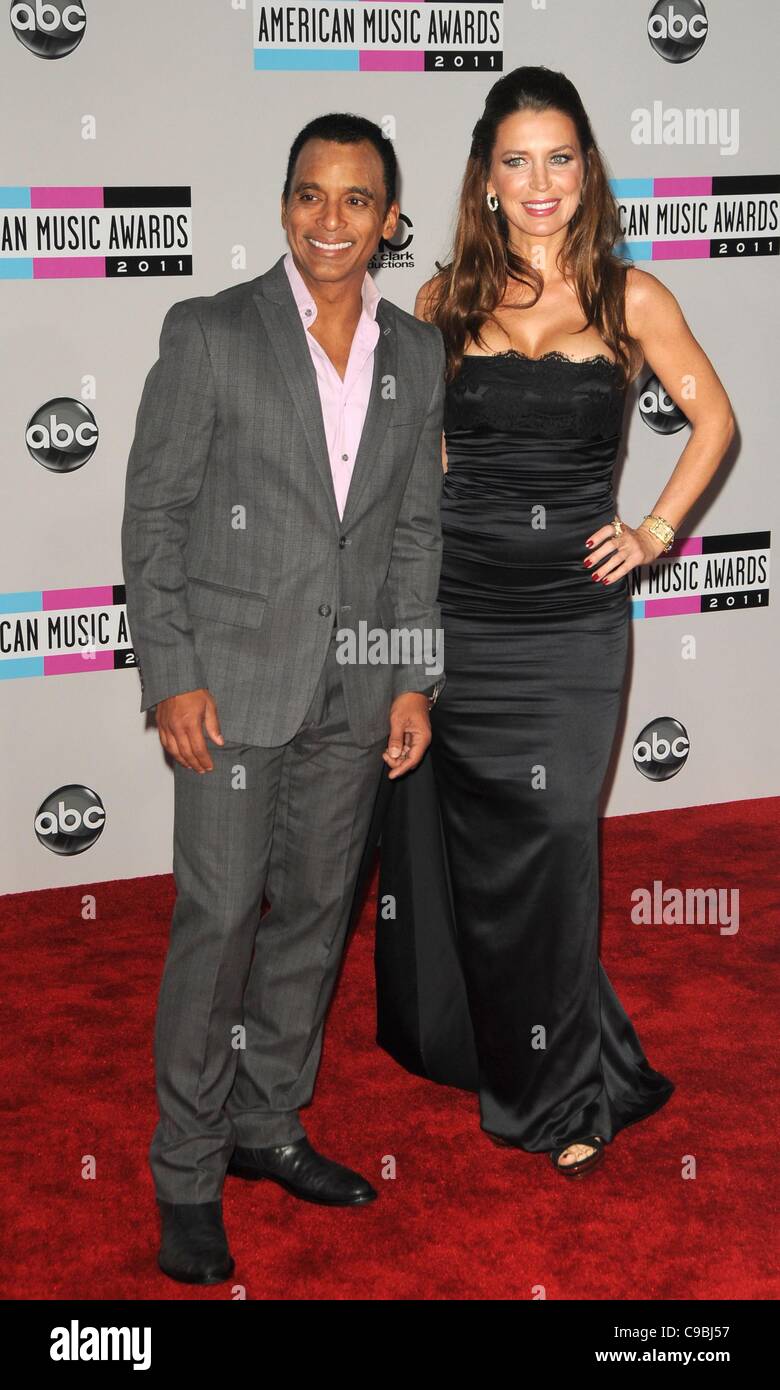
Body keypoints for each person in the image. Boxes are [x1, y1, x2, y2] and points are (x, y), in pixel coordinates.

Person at [368, 67, 736, 1178]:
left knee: (561, 845)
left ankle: (562, 1086)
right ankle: (517, 1048)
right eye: (516, 160)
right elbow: (421, 463)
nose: (540, 181)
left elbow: (715, 420)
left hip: (574, 627)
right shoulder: (442, 302)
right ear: (486, 177)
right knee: (481, 850)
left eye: (560, 157)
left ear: (587, 169)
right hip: (464, 614)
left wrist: (658, 529)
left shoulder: (633, 297)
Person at [121, 112, 445, 1284]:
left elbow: (411, 532)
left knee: (312, 922)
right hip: (231, 694)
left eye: (358, 200)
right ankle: (187, 1168)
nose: (330, 220)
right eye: (310, 194)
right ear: (283, 205)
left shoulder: (418, 354)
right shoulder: (209, 333)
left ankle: (267, 1124)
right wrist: (172, 674)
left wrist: (410, 676)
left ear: (390, 219)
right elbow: (154, 516)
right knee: (216, 927)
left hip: (355, 697)